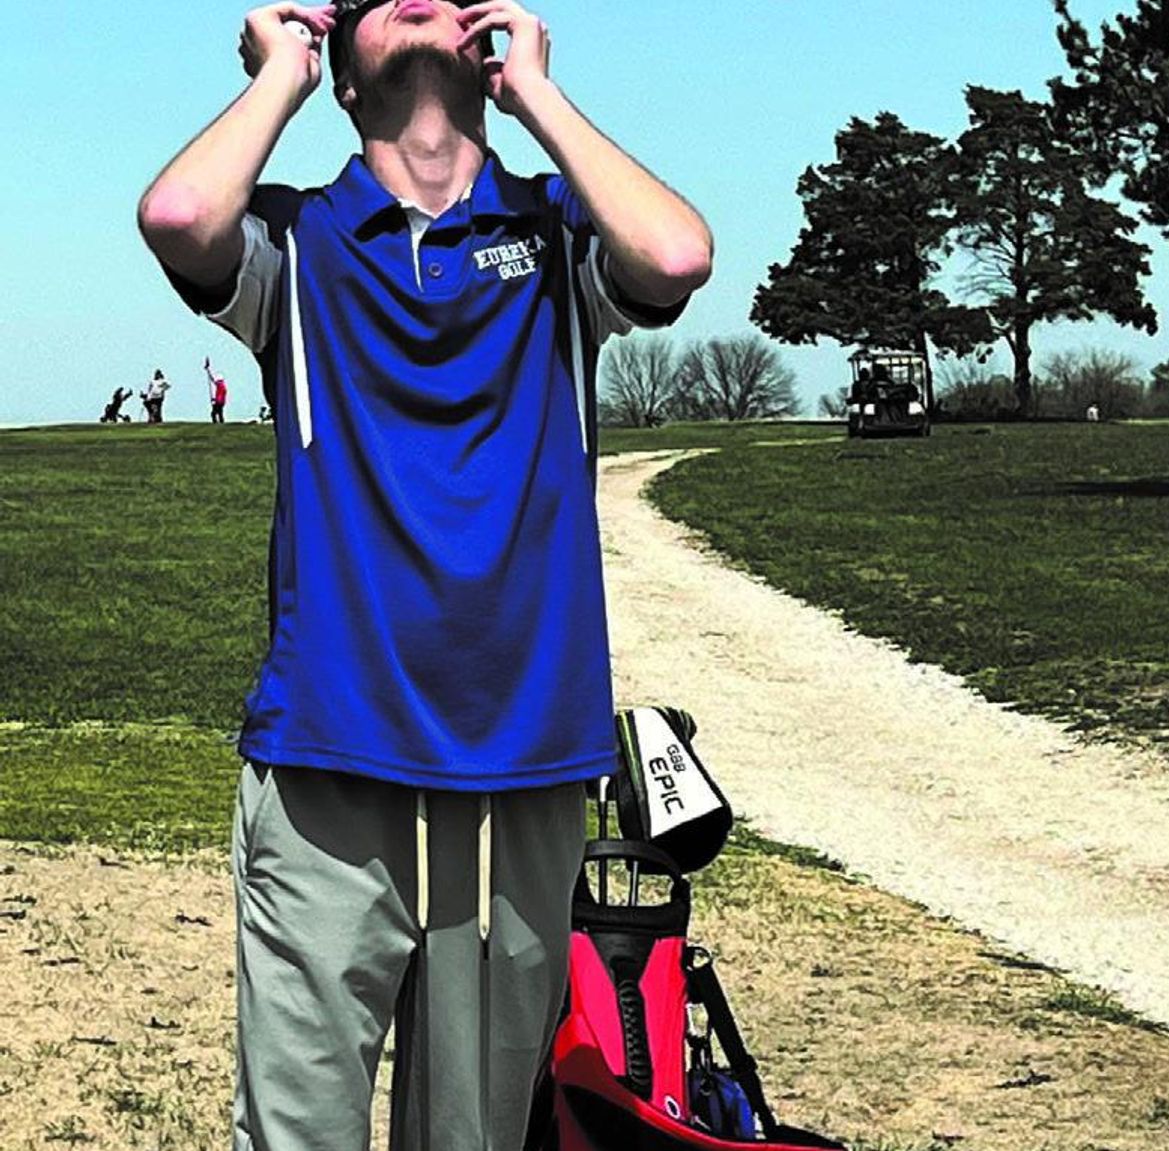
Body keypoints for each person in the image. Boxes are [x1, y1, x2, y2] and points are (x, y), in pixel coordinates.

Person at [136, 3, 712, 1149]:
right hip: (326, 765)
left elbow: (676, 253)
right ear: (343, 75)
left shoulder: (553, 235)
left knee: (474, 1138)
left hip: (525, 765)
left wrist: (538, 96)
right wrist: (278, 78)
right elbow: (180, 214)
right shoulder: (300, 243)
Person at [205, 358, 229, 423]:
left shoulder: (220, 385)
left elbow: (212, 380)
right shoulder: (222, 385)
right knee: (220, 413)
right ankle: (221, 422)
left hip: (219, 402)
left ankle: (216, 423)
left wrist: (208, 371)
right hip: (221, 402)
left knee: (214, 413)